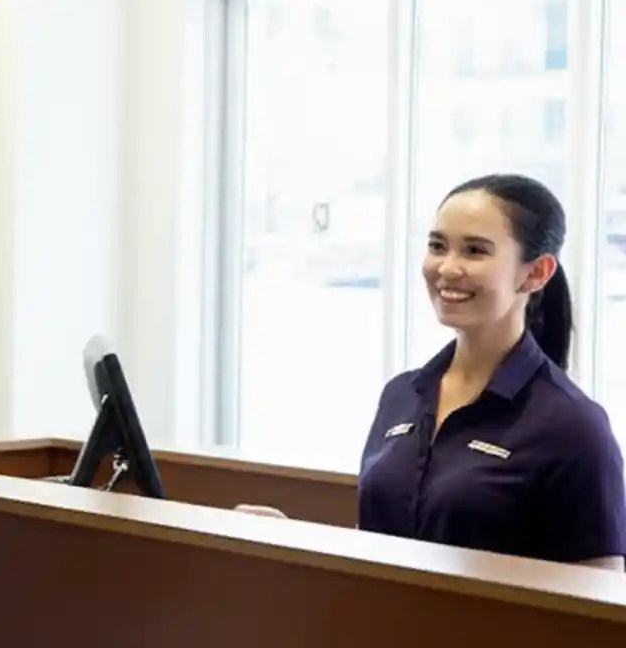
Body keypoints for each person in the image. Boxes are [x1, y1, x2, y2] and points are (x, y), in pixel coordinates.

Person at [238, 173, 626, 571]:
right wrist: (293, 538)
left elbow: (599, 603)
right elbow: (384, 546)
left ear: (536, 273)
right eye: (438, 246)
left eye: (475, 251)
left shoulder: (573, 426)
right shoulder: (401, 395)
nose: (448, 268)